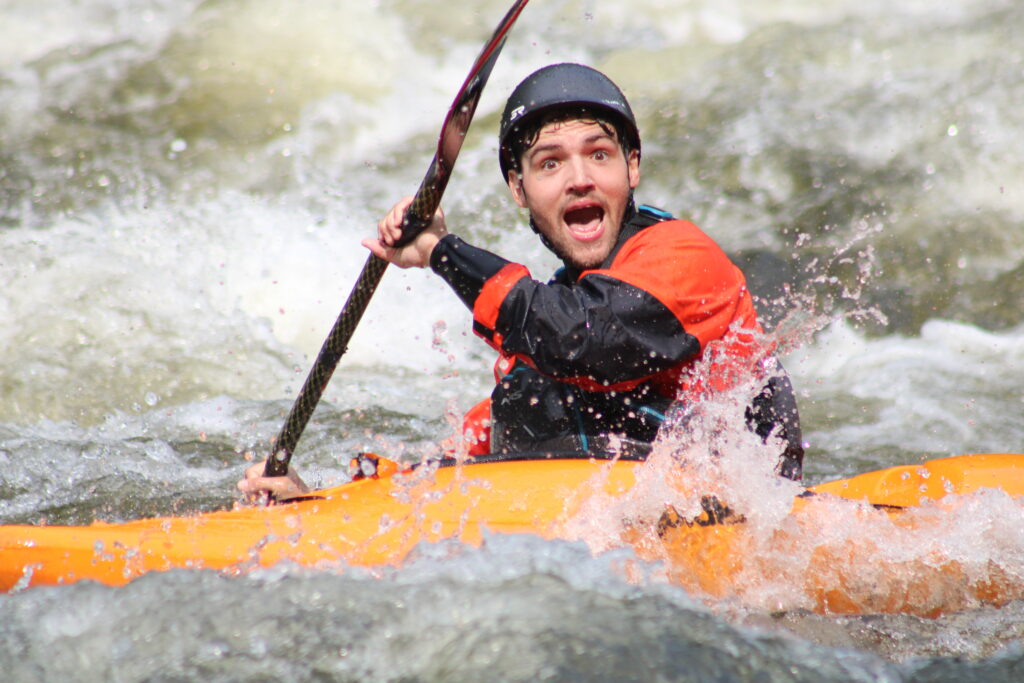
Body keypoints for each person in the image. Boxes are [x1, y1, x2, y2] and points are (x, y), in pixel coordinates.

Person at [239, 63, 803, 502]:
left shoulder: (683, 257)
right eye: (550, 163)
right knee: (524, 399)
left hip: (730, 515)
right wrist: (314, 502)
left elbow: (583, 339)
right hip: (609, 521)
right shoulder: (546, 335)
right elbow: (458, 473)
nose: (580, 179)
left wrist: (442, 252)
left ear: (632, 169)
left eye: (599, 155)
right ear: (519, 188)